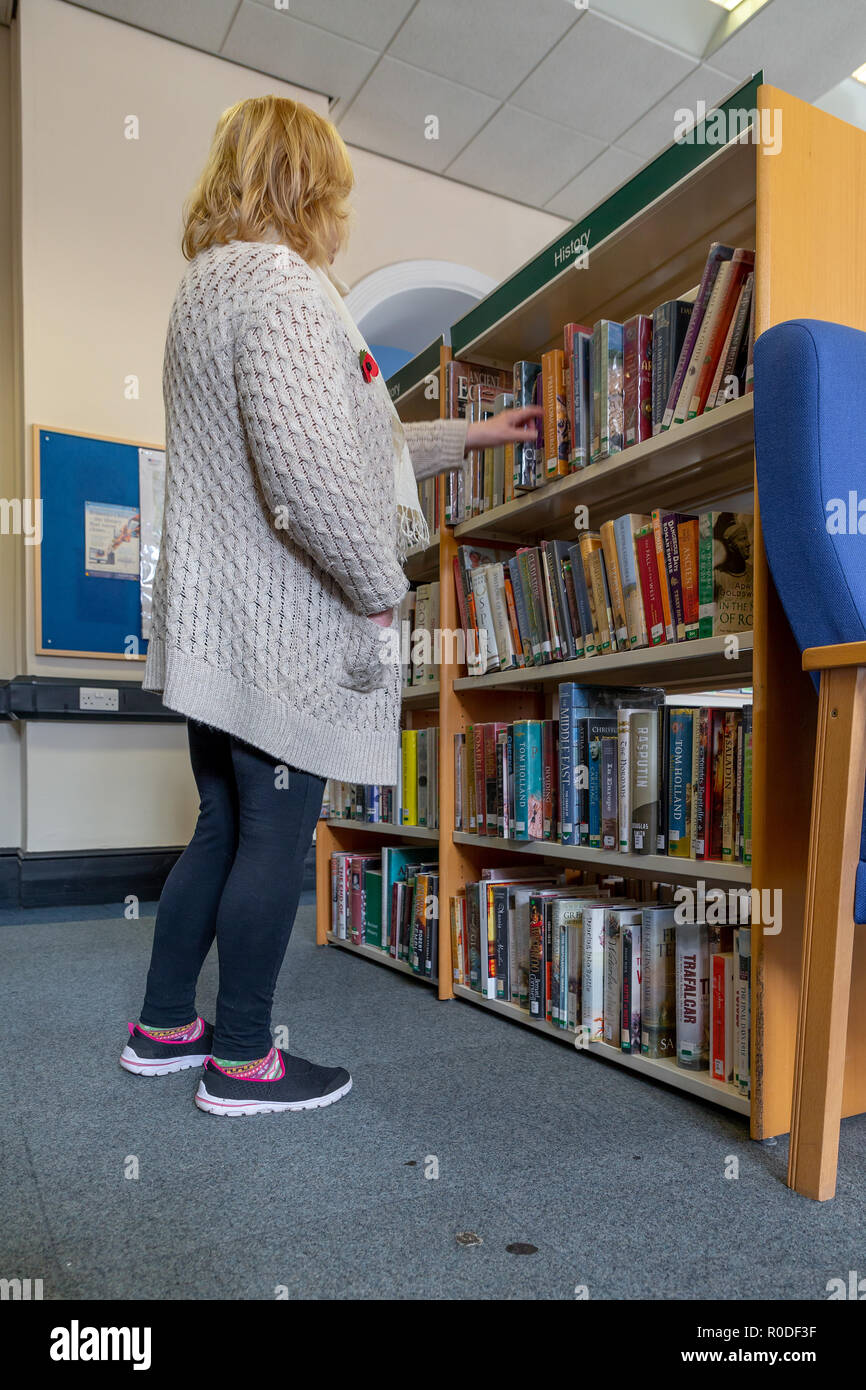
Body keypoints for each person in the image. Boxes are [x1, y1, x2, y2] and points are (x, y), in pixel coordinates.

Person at [120, 95, 541, 1117]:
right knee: (272, 834)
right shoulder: (284, 287)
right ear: (309, 184)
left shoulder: (206, 290)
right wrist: (381, 587)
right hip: (279, 631)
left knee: (220, 825)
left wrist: (471, 439)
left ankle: (166, 1026)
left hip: (213, 630)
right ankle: (244, 1061)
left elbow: (357, 434)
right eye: (338, 191)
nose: (343, 216)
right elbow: (309, 474)